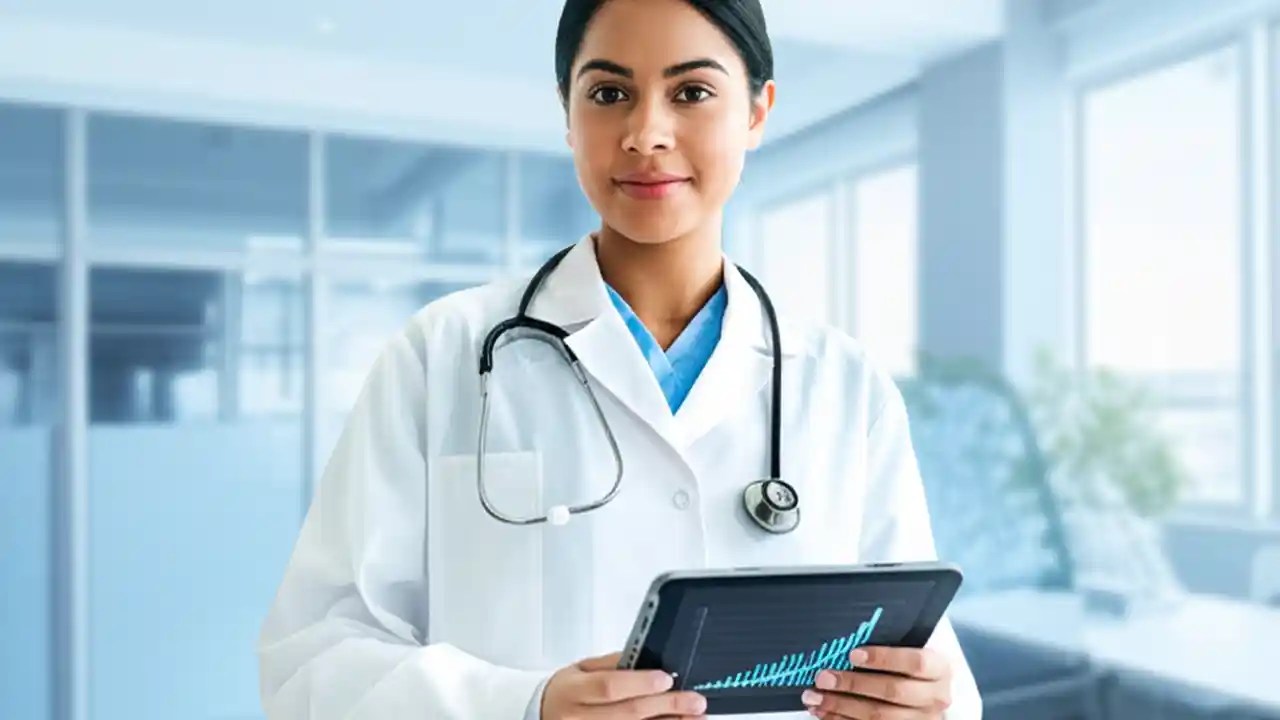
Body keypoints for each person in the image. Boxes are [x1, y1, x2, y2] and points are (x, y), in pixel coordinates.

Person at [257, 0, 982, 718]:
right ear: (568, 115)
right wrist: (525, 706)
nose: (645, 134)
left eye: (692, 92)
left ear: (758, 111)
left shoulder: (843, 384)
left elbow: (934, 676)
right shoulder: (441, 354)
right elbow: (313, 664)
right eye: (609, 94)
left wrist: (921, 707)